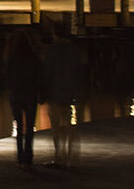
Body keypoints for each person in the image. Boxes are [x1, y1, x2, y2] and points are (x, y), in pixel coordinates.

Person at [42, 27, 86, 169]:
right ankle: (71, 157)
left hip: (55, 93)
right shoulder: (75, 51)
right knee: (70, 126)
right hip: (71, 93)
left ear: (55, 35)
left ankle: (58, 157)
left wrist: (44, 92)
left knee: (56, 128)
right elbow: (81, 72)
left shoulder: (52, 51)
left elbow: (47, 72)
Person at [5, 28, 43, 168]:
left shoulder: (12, 58)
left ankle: (20, 155)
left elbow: (7, 77)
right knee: (30, 125)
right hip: (30, 94)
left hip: (16, 94)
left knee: (19, 125)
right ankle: (29, 155)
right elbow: (39, 77)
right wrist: (41, 93)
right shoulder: (33, 58)